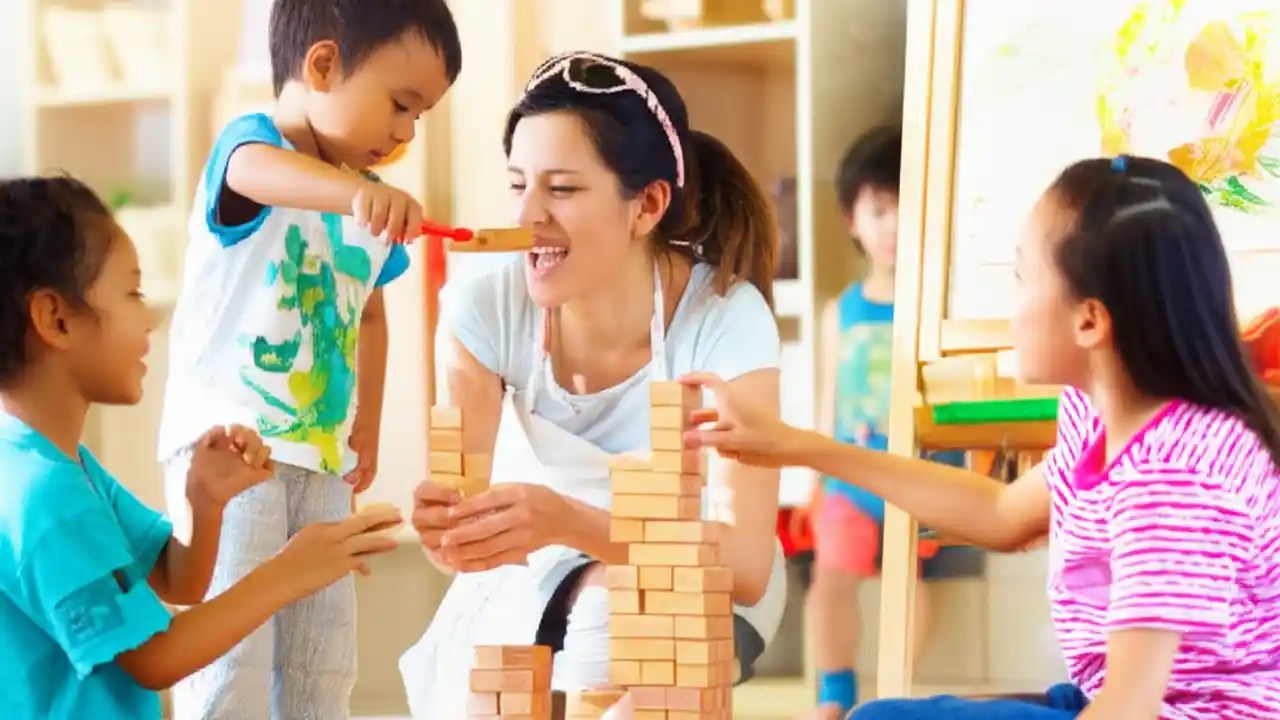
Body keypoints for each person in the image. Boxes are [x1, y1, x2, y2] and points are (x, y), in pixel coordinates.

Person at [680, 155, 1280, 719]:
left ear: (1090, 319)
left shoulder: (1177, 477)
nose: (1008, 304)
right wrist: (793, 444)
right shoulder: (1099, 414)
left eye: (1022, 278)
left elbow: (1128, 708)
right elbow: (1000, 511)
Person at [401, 51, 790, 716]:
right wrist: (452, 531)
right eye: (518, 184)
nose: (529, 216)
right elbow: (464, 548)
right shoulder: (483, 308)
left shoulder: (724, 320)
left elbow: (748, 565)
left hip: (698, 589)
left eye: (562, 189)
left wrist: (567, 520)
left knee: (613, 619)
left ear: (647, 206)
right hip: (531, 580)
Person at [154, 1, 461, 717]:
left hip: (320, 457)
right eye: (399, 104)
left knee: (323, 657)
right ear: (322, 66)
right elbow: (259, 172)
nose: (405, 131)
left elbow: (372, 314)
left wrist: (369, 425)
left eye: (420, 116)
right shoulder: (250, 148)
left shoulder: (370, 202)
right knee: (235, 654)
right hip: (231, 455)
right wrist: (357, 195)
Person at [0, 176, 403, 720]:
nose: (149, 319)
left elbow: (178, 579)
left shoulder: (54, 463)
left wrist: (203, 501)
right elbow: (154, 657)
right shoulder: (44, 494)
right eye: (131, 293)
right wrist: (288, 573)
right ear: (56, 318)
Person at [799, 126, 969, 718]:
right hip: (848, 475)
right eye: (878, 210)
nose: (893, 226)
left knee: (907, 585)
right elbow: (829, 399)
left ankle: (895, 691)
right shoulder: (839, 309)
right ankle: (834, 694)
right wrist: (814, 478)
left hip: (915, 475)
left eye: (905, 209)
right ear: (852, 219)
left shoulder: (936, 309)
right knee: (831, 584)